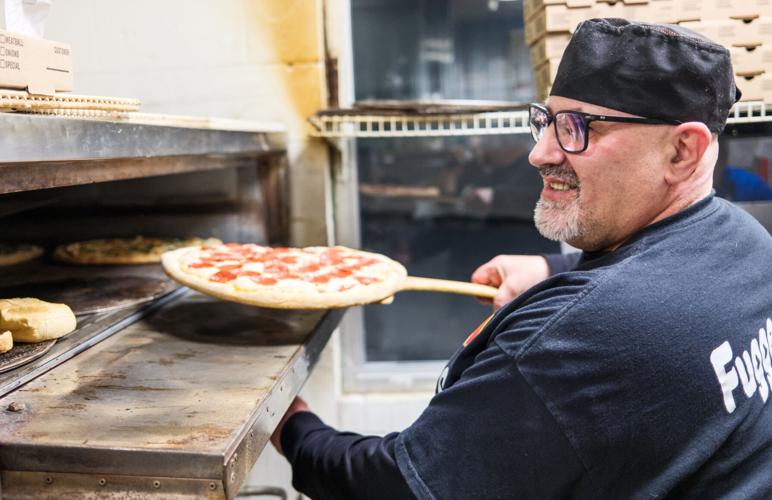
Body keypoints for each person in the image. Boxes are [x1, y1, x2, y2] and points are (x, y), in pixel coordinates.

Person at [270, 18, 772, 499]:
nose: (541, 153)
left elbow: (399, 486)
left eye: (579, 128)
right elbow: (656, 275)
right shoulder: (747, 242)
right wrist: (550, 269)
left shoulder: (581, 336)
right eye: (547, 121)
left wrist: (295, 427)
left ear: (682, 150)